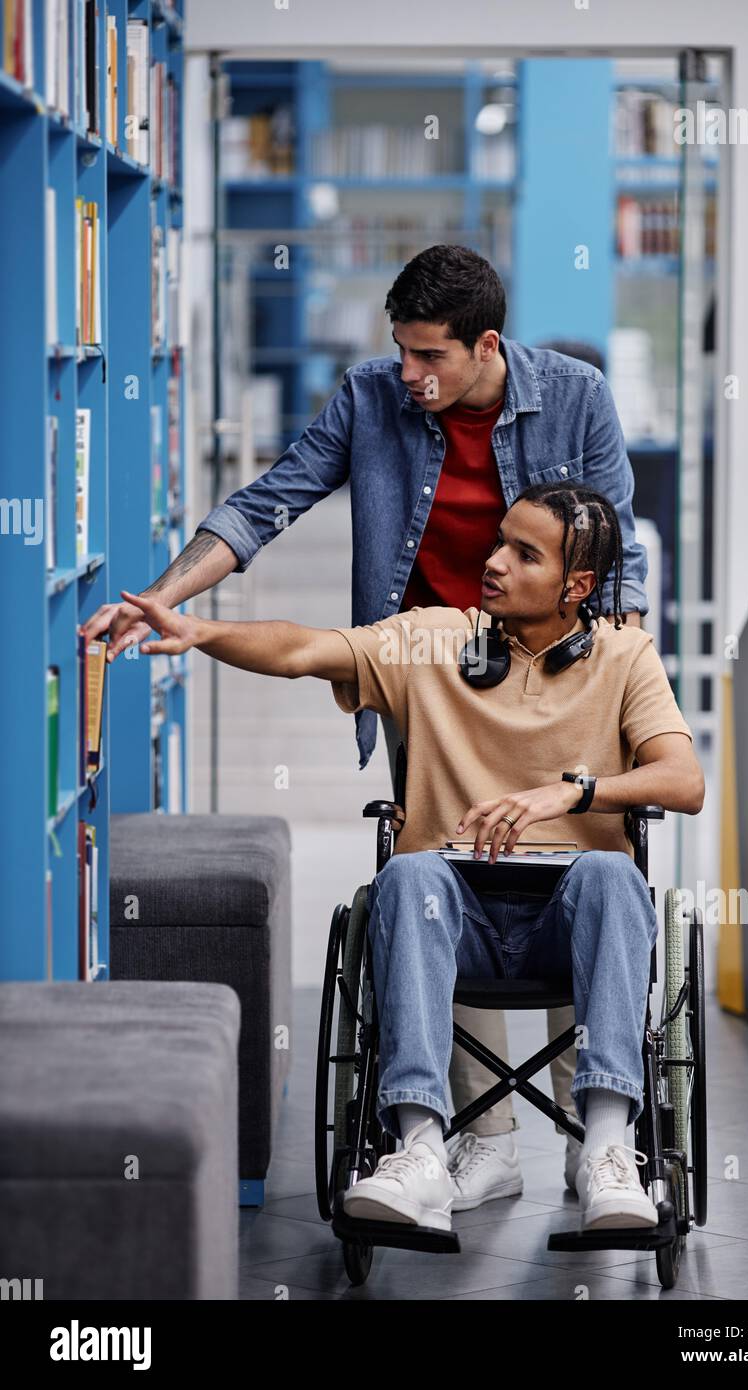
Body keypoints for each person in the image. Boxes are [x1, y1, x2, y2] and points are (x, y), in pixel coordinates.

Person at [81, 243, 651, 1209]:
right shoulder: (371, 398)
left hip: (558, 665)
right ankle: (486, 1142)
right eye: (401, 350)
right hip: (430, 669)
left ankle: (591, 1135)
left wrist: (613, 683)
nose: (410, 375)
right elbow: (267, 504)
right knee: (444, 861)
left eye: (431, 356)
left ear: (487, 346)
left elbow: (616, 549)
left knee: (576, 857)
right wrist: (165, 601)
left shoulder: (575, 395)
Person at [118, 482, 704, 1233]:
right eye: (500, 542)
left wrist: (573, 793)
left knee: (614, 873)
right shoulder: (433, 639)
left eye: (525, 555)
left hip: (568, 923)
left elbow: (684, 781)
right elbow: (302, 649)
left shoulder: (626, 656)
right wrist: (198, 628)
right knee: (408, 871)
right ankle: (421, 1151)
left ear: (578, 586)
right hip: (452, 921)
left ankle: (609, 1151)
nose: (494, 562)